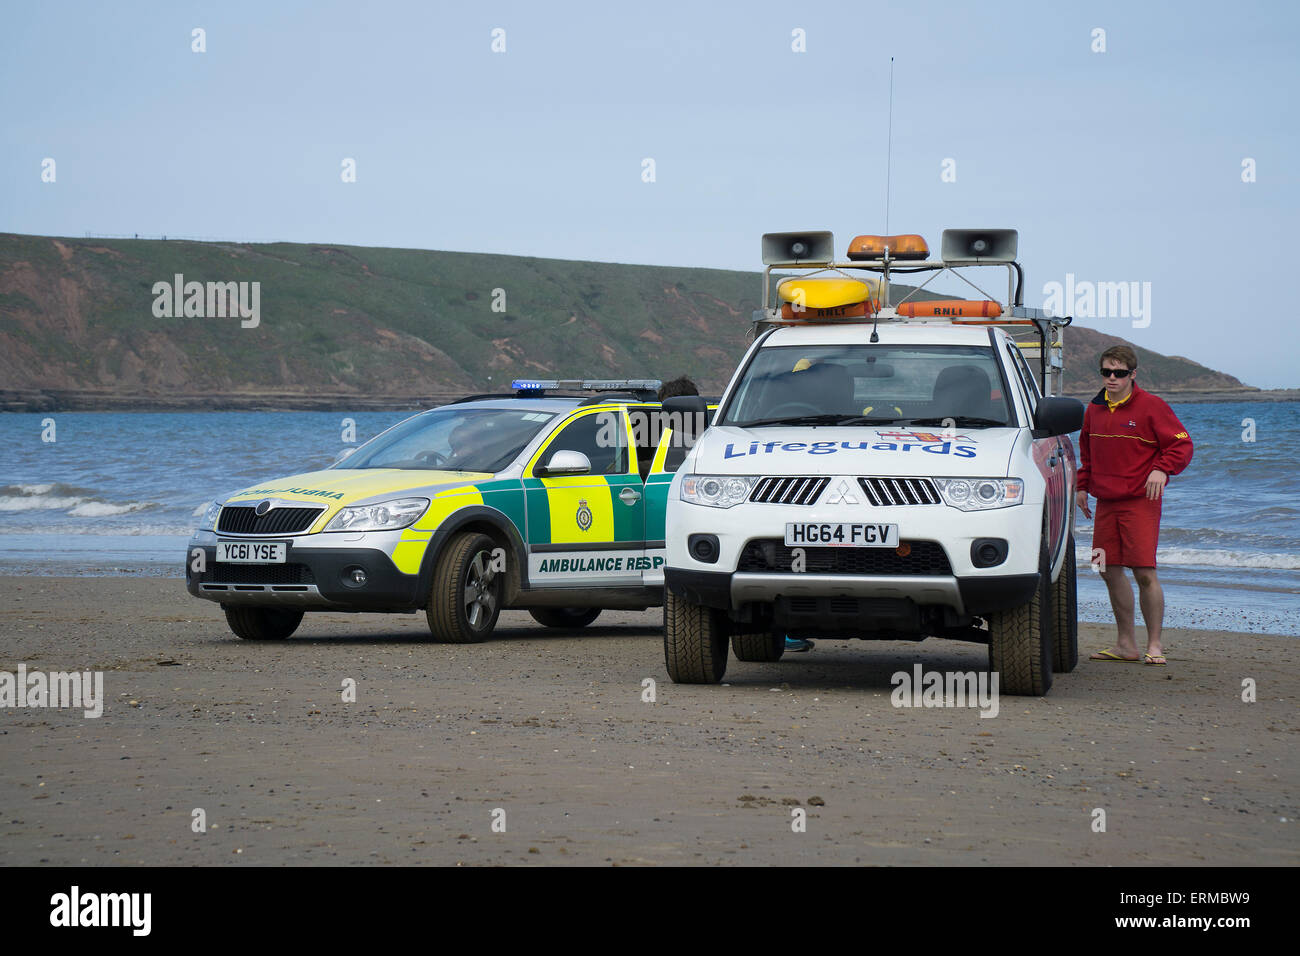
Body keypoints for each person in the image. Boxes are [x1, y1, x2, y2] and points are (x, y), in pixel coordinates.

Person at [1077, 345, 1193, 666]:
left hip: (1141, 501)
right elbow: (1086, 453)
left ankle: (1154, 645)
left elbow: (1181, 444)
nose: (1112, 379)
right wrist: (1081, 487)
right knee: (1106, 568)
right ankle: (1125, 644)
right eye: (1106, 372)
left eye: (1119, 373)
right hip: (1105, 502)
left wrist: (1161, 468)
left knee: (1144, 571)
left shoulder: (1152, 406)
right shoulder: (1094, 409)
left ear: (1133, 374)